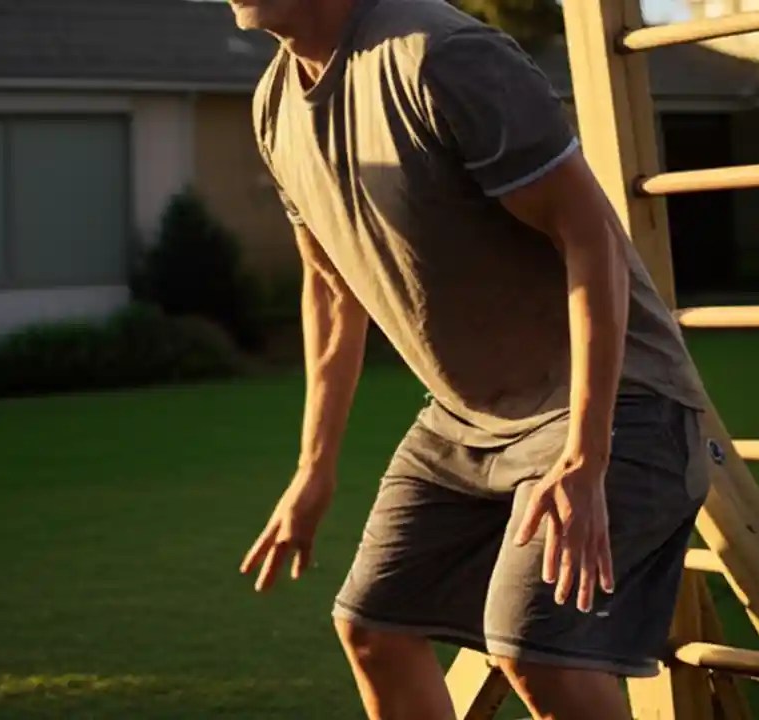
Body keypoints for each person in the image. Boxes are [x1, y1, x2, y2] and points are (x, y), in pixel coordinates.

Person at [231, 0, 712, 718]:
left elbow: (591, 236)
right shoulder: (275, 104)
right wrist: (313, 470)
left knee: (535, 650)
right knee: (374, 628)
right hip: (464, 426)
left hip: (618, 405)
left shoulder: (443, 56)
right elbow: (331, 291)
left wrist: (586, 456)